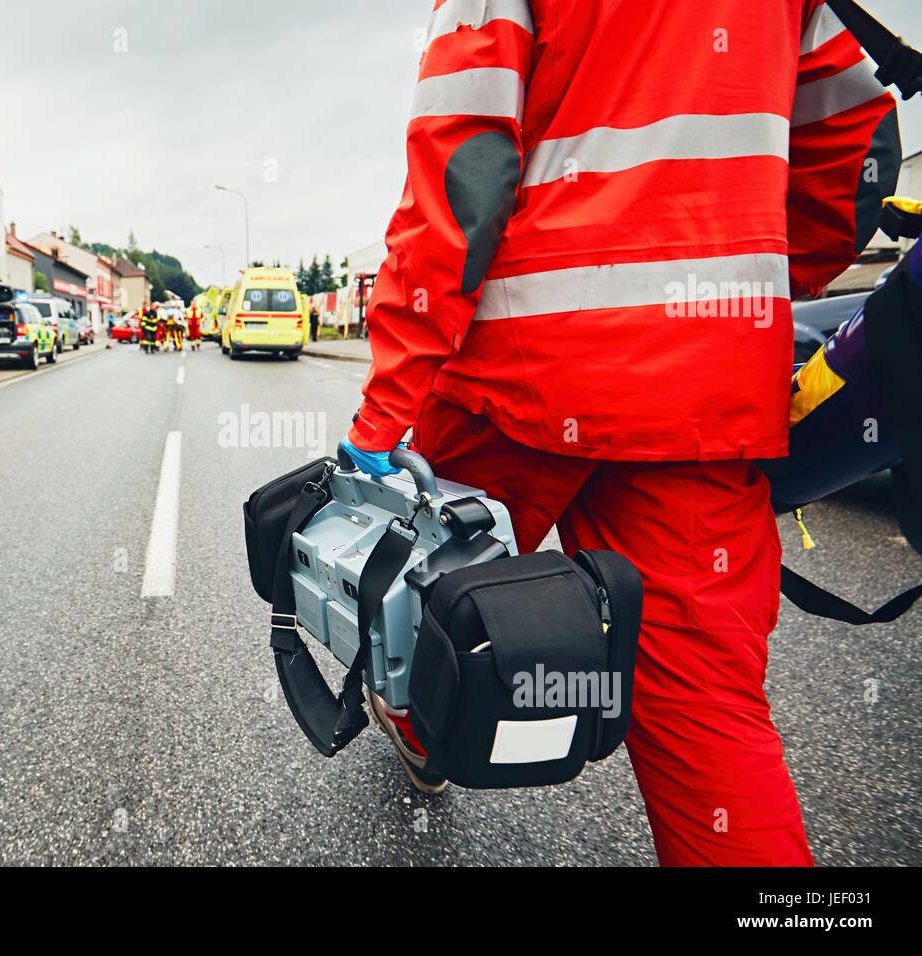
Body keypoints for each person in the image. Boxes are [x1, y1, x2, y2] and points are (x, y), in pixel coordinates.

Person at [341, 0, 900, 866]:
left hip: (513, 380)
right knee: (710, 722)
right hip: (696, 401)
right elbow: (854, 150)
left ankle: (424, 725)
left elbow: (463, 177)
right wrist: (731, 300)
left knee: (427, 588)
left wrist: (384, 413)